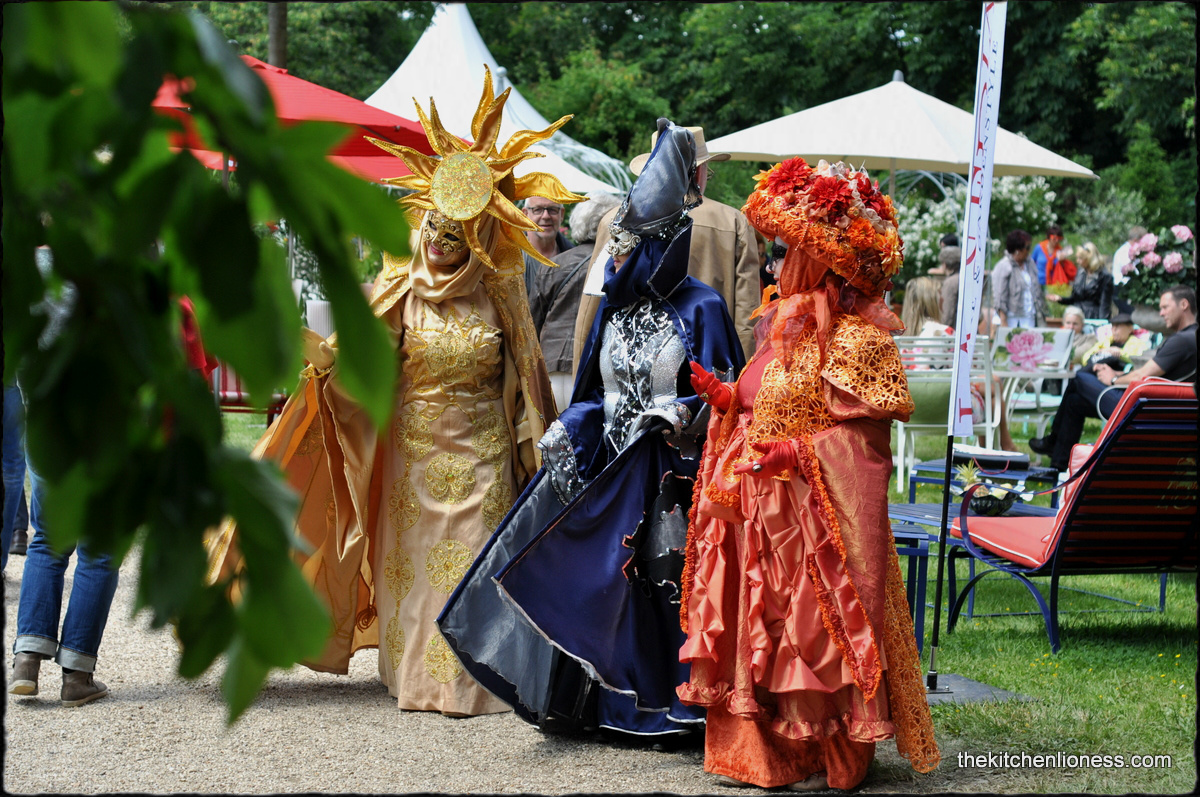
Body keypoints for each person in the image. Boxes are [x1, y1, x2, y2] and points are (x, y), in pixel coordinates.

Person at [206, 68, 569, 715]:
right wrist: (326, 370)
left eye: (453, 237)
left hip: (484, 449)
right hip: (414, 454)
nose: (438, 244)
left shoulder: (502, 294)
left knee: (471, 562)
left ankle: (474, 675)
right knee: (419, 565)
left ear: (478, 239)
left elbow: (529, 379)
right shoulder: (399, 288)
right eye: (433, 231)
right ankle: (414, 675)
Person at [439, 119, 745, 740]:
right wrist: (566, 431)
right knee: (591, 582)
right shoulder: (611, 309)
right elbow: (592, 394)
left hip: (672, 477)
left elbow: (731, 397)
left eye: (629, 248)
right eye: (616, 246)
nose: (616, 259)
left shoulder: (703, 309)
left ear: (659, 247)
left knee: (665, 584)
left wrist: (683, 417)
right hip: (609, 470)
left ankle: (673, 703)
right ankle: (606, 706)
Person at [679, 157, 939, 790]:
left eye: (788, 250)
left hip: (809, 515)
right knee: (759, 626)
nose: (775, 264)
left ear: (821, 259)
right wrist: (728, 401)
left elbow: (865, 440)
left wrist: (798, 456)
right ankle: (764, 748)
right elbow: (770, 394)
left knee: (811, 631)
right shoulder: (783, 322)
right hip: (760, 505)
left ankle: (825, 749)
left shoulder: (854, 339)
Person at [10, 247, 119, 707]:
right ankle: (76, 676)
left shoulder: (31, 265)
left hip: (45, 413)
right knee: (99, 547)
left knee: (47, 539)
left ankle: (27, 663)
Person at [572, 124, 758, 364]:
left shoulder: (616, 219)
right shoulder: (733, 222)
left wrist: (582, 372)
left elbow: (592, 304)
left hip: (625, 365)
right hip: (707, 366)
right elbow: (747, 317)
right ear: (699, 172)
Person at [1029, 285, 1197, 471]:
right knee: (1074, 402)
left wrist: (1113, 380)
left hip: (1138, 411)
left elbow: (1143, 374)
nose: (1161, 313)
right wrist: (1119, 374)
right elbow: (1159, 376)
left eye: (1165, 307)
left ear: (1183, 304)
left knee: (1080, 378)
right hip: (1155, 409)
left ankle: (1053, 441)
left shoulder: (1182, 340)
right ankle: (1058, 465)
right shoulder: (1191, 338)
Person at [529, 192, 622, 410]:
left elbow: (533, 321)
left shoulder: (555, 264)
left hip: (550, 369)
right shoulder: (616, 265)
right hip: (593, 371)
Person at [992, 229, 1046, 328]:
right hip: (1012, 319)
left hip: (1029, 317)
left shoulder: (1030, 264)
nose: (1029, 250)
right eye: (1027, 247)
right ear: (1017, 250)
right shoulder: (1003, 266)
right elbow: (999, 297)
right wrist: (1003, 322)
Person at [1045, 241, 1113, 320]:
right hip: (1077, 315)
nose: (1077, 261)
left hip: (1093, 317)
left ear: (1089, 259)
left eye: (1080, 258)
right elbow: (1074, 299)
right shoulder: (1081, 273)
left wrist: (1103, 324)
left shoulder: (1105, 277)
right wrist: (1060, 299)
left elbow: (1105, 304)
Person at [521, 197, 573, 300]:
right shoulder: (510, 257)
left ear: (561, 214)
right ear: (525, 214)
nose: (545, 216)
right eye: (538, 210)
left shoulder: (574, 259)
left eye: (552, 210)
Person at [1075, 311, 1151, 371]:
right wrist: (1103, 351)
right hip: (1096, 370)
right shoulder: (1106, 341)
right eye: (1112, 326)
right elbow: (1085, 358)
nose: (1113, 330)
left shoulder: (1138, 343)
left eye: (1117, 327)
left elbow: (1140, 362)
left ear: (1130, 328)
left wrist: (1120, 353)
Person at [1110, 225, 1147, 290]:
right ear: (1135, 240)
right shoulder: (1124, 252)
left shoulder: (1130, 250)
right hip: (1122, 288)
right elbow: (1132, 271)